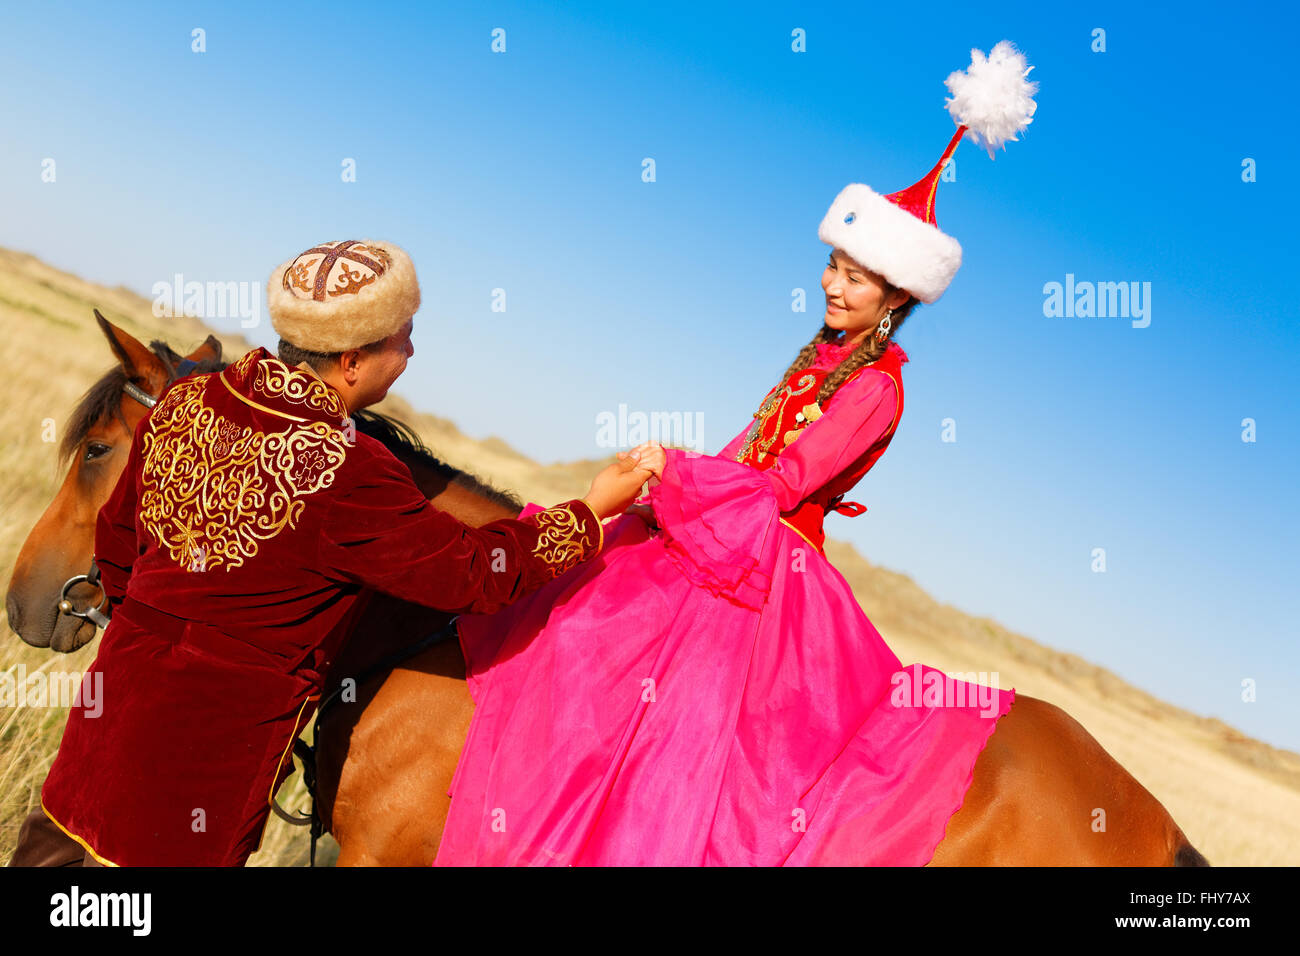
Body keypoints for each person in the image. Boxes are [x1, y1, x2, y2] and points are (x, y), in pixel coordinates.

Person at [432, 43, 1038, 865]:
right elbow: (745, 450)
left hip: (770, 556)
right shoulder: (822, 353)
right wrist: (673, 490)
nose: (834, 286)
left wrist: (677, 474)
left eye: (857, 280)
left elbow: (787, 478)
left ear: (897, 297)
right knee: (582, 610)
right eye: (833, 265)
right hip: (727, 527)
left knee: (663, 712)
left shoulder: (879, 388)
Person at [9, 238, 659, 867]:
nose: (410, 349)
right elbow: (470, 573)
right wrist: (591, 511)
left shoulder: (183, 404)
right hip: (197, 782)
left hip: (98, 741)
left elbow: (120, 551)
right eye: (403, 336)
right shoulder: (351, 471)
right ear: (352, 360)